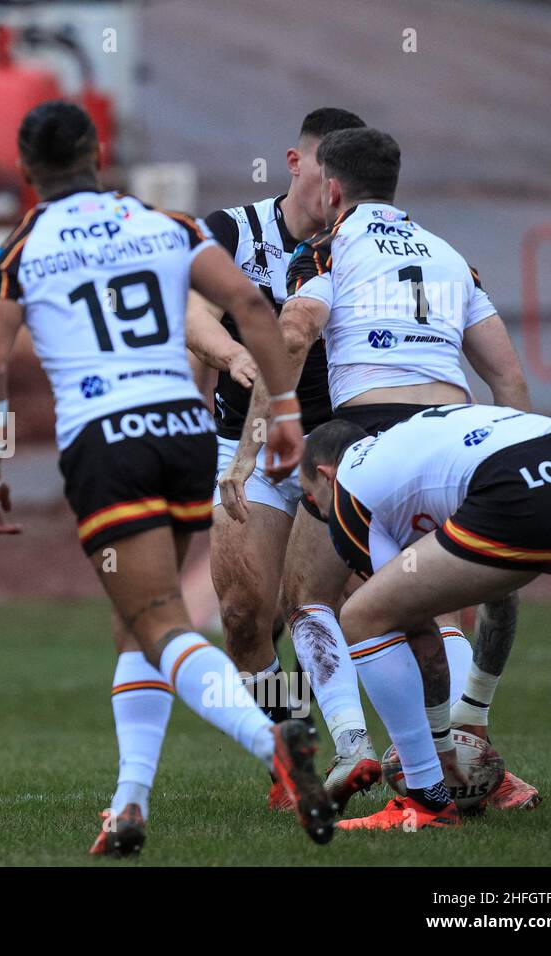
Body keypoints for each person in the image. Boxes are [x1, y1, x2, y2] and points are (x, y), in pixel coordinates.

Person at [0, 100, 331, 855]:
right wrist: (285, 408)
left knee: (161, 618)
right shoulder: (163, 223)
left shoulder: (18, 250)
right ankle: (129, 806)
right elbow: (248, 306)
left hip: (108, 442)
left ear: (28, 169)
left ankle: (275, 746)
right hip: (184, 433)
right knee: (135, 620)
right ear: (98, 152)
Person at [233, 126, 538, 810]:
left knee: (311, 599)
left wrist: (253, 444)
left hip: (367, 440)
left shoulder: (326, 248)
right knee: (437, 609)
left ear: (332, 189)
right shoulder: (451, 254)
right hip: (463, 438)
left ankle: (355, 749)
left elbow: (291, 335)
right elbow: (509, 378)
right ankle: (467, 753)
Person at [298, 406, 551, 829]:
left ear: (326, 475)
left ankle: (427, 802)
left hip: (519, 481)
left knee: (362, 615)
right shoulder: (416, 458)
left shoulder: (350, 491)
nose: (318, 511)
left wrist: (441, 737)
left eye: (310, 498)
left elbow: (417, 628)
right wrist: (475, 709)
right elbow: (499, 593)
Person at [184, 107, 367, 812]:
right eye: (326, 170)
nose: (334, 189)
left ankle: (442, 753)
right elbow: (191, 306)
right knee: (240, 612)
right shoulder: (232, 230)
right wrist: (230, 352)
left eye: (346, 178)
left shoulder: (361, 241)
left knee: (356, 608)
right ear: (296, 164)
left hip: (343, 449)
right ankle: (294, 745)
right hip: (250, 445)